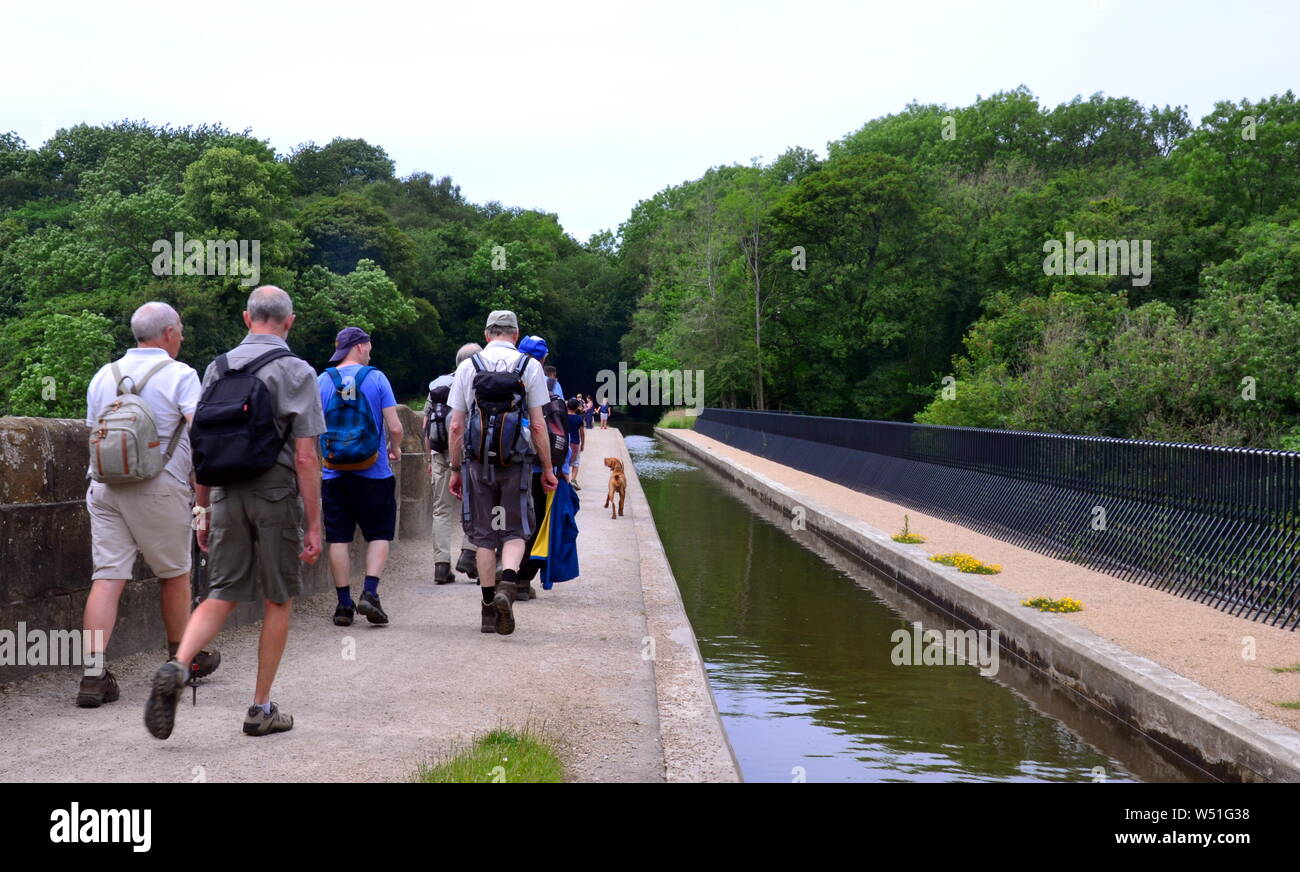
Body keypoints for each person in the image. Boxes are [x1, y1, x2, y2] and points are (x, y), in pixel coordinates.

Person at [145, 286, 325, 740]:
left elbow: (204, 445)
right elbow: (307, 457)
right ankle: (260, 708)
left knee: (220, 593)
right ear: (290, 321)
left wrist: (202, 508)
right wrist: (315, 524)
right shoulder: (298, 371)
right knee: (278, 597)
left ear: (247, 318)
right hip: (275, 492)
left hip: (225, 491)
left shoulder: (218, 367)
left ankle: (178, 664)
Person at [79, 302, 219, 707]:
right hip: (159, 486)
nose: (183, 337)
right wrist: (205, 492)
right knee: (174, 575)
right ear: (169, 333)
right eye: (181, 330)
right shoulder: (181, 375)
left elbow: (94, 433)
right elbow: (201, 434)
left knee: (107, 577)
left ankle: (92, 675)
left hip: (105, 488)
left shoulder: (104, 375)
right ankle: (181, 661)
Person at [447, 311, 557, 635]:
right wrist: (547, 468)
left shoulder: (468, 366)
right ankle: (507, 585)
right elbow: (538, 425)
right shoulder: (529, 366)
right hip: (515, 463)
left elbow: (456, 426)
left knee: (484, 535)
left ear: (487, 334)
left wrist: (455, 469)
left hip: (478, 464)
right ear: (516, 334)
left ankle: (486, 610)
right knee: (514, 531)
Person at [318, 327, 403, 626]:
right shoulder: (376, 378)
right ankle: (370, 592)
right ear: (360, 346)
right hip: (373, 472)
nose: (370, 352)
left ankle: (343, 604)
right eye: (368, 346)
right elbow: (395, 426)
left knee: (338, 537)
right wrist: (394, 449)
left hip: (334, 473)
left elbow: (313, 429)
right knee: (379, 533)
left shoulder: (322, 380)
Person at [514, 335, 569, 599]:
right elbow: (560, 429)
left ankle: (502, 572)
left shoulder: (506, 377)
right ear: (545, 358)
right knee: (536, 523)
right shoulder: (552, 384)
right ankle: (523, 580)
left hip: (508, 464)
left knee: (507, 519)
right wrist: (560, 467)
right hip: (539, 468)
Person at [427, 342, 482, 585]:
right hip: (471, 453)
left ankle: (441, 566)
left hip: (441, 453)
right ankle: (469, 555)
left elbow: (427, 426)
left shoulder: (437, 384)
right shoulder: (481, 383)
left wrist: (429, 457)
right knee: (478, 504)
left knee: (441, 510)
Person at [566, 397, 586, 490]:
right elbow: (582, 433)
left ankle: (564, 480)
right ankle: (573, 480)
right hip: (575, 443)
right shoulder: (579, 418)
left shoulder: (563, 417)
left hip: (565, 442)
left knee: (565, 461)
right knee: (576, 462)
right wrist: (583, 444)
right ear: (577, 407)